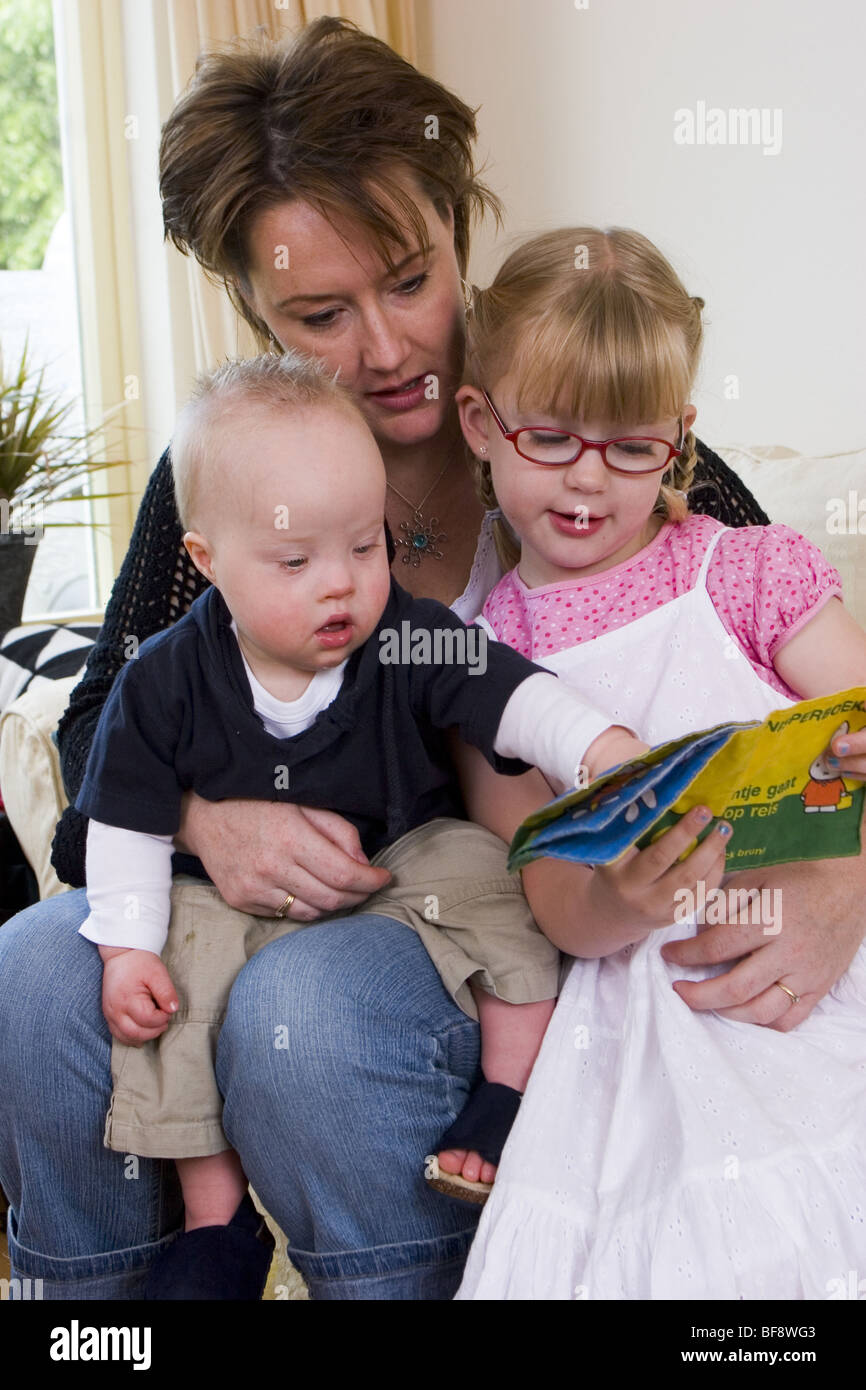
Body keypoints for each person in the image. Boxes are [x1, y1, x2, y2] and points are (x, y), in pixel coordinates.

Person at [0, 20, 863, 1302]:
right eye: (320, 314)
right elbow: (99, 731)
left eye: (409, 280)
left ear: (458, 229)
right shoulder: (243, 484)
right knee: (30, 968)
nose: (389, 347)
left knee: (316, 1016)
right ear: (252, 307)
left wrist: (841, 879)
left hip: (508, 928)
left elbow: (785, 698)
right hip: (309, 905)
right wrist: (204, 820)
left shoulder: (572, 445)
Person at [80, 349, 644, 1298]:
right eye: (297, 561)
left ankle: (505, 1095)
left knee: (497, 881)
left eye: (365, 545)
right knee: (168, 1000)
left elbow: (511, 696)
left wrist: (599, 748)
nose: (340, 585)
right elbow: (124, 821)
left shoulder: (404, 633)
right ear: (207, 562)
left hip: (404, 862)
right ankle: (215, 1233)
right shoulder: (164, 680)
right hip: (228, 896)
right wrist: (126, 948)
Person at [446, 225, 866, 1298]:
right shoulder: (487, 663)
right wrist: (622, 902)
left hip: (828, 929)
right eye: (549, 438)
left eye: (629, 447)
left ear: (676, 442)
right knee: (715, 1240)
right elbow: (549, 897)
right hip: (659, 1000)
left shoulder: (747, 571)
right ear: (479, 423)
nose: (588, 481)